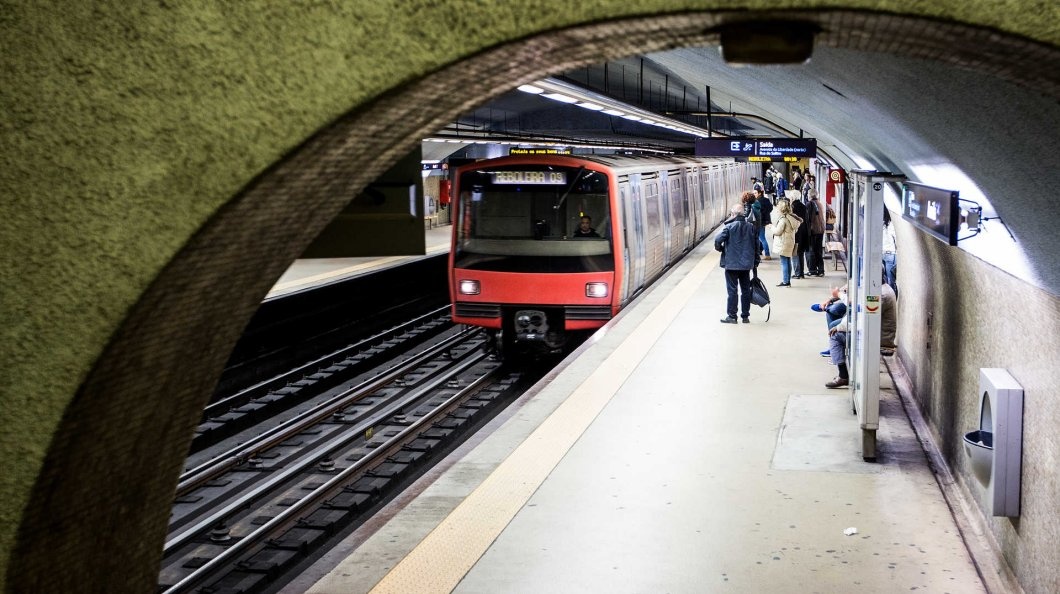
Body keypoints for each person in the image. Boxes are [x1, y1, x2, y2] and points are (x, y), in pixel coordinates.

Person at [715, 203, 760, 324]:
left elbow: (718, 240)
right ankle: (745, 316)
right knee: (745, 290)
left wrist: (720, 249)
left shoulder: (729, 227)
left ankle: (732, 316)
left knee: (732, 291)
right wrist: (756, 261)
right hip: (746, 265)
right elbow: (757, 246)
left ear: (733, 214)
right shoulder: (751, 227)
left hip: (731, 265)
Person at [770, 198, 801, 286]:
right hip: (790, 242)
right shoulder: (791, 218)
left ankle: (785, 281)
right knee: (787, 260)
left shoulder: (783, 219)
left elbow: (777, 232)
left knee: (784, 262)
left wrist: (771, 227)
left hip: (783, 243)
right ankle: (787, 280)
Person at [805, 176, 825, 276]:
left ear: (809, 195)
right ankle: (821, 270)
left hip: (813, 231)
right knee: (819, 251)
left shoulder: (809, 204)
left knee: (811, 250)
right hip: (820, 230)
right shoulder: (820, 203)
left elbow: (807, 219)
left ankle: (812, 270)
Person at [790, 195, 809, 278]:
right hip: (804, 232)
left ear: (793, 198)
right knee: (801, 253)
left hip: (796, 232)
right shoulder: (804, 206)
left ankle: (797, 273)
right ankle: (801, 272)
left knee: (795, 253)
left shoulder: (792, 207)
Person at [882, 210, 898, 298]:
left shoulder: (878, 223)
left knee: (883, 278)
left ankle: (885, 296)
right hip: (890, 254)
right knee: (890, 278)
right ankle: (892, 298)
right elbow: (895, 239)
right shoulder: (891, 224)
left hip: (881, 253)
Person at [755, 188, 773, 260]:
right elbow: (771, 208)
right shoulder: (766, 200)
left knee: (762, 238)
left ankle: (767, 254)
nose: (754, 194)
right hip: (765, 221)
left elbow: (758, 213)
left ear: (759, 193)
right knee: (761, 237)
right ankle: (760, 251)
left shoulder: (757, 202)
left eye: (755, 193)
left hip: (760, 222)